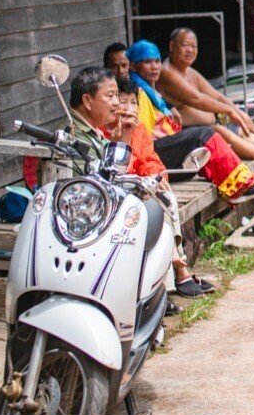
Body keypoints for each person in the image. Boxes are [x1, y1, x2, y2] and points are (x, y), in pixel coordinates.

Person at [67, 67, 215, 298]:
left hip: (108, 201)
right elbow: (103, 182)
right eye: (111, 96)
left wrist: (127, 142)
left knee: (159, 194)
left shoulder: (95, 131)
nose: (117, 104)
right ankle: (168, 281)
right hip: (89, 216)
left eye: (123, 98)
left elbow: (127, 167)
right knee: (155, 204)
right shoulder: (75, 135)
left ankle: (165, 285)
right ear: (87, 100)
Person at [125, 41, 254, 204]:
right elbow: (141, 137)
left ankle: (239, 184)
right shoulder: (138, 92)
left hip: (165, 154)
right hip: (151, 156)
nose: (154, 66)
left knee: (207, 136)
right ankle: (240, 186)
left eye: (157, 61)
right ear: (134, 66)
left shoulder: (153, 92)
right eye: (147, 62)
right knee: (202, 135)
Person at [155, 29, 254, 174]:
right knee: (222, 131)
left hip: (203, 129)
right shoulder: (167, 71)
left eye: (193, 46)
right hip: (183, 135)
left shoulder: (189, 72)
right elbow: (196, 99)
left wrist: (241, 115)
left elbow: (217, 96)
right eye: (185, 45)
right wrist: (229, 111)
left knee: (243, 129)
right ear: (172, 46)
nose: (190, 50)